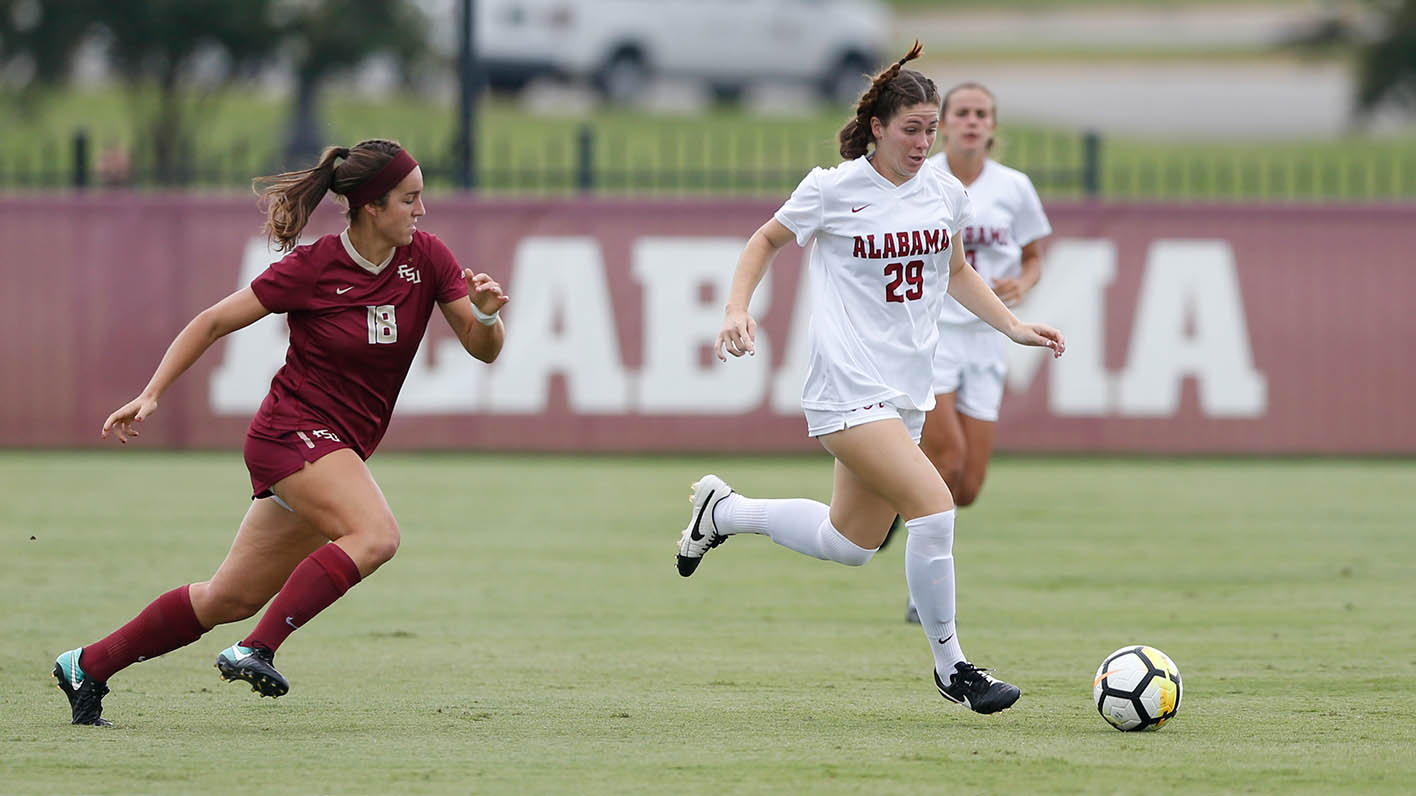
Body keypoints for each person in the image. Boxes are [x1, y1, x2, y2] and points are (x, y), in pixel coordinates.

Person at [52, 139, 509, 726]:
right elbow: (213, 321)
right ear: (371, 205)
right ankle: (256, 648)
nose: (421, 211)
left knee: (227, 598)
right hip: (291, 433)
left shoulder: (428, 257)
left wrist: (488, 313)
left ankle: (87, 664)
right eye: (410, 199)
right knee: (376, 535)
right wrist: (151, 393)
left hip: (333, 448)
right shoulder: (315, 265)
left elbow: (483, 349)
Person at [674, 43, 1064, 715]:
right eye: (911, 128)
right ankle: (954, 669)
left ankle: (723, 511)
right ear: (878, 127)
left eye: (930, 129)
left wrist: (1014, 328)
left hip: (906, 392)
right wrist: (737, 308)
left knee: (848, 543)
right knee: (936, 507)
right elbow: (764, 241)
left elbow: (960, 273)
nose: (924, 142)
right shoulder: (833, 188)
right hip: (846, 389)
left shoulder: (945, 192)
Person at [902, 81, 1053, 624]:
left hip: (987, 340)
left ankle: (900, 495)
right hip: (935, 335)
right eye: (961, 113)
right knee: (946, 460)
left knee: (967, 487)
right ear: (943, 124)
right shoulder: (923, 178)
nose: (971, 122)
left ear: (993, 126)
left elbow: (1034, 255)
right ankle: (922, 592)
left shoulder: (1014, 187)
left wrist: (1023, 282)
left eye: (981, 113)